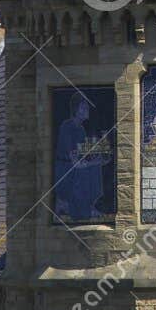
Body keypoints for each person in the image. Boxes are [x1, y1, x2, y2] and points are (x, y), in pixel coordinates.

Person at [54, 92, 112, 220]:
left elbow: (82, 155)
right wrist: (93, 162)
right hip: (65, 170)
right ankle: (76, 206)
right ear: (76, 109)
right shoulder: (66, 127)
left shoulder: (81, 129)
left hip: (73, 166)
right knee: (90, 168)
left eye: (87, 107)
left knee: (95, 167)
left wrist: (97, 158)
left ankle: (90, 204)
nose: (87, 110)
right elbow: (75, 162)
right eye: (83, 107)